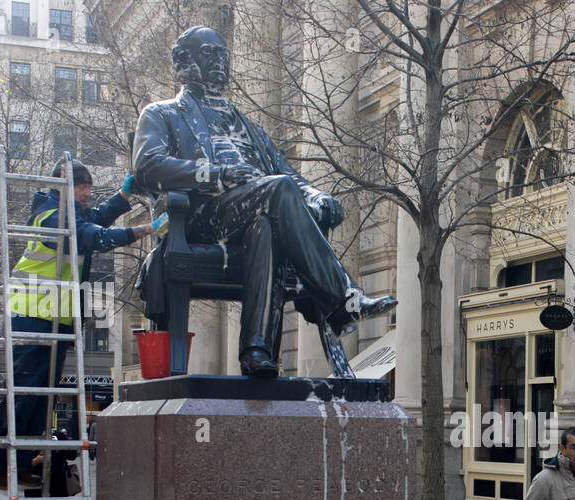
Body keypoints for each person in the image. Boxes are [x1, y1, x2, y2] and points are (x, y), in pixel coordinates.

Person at [131, 25, 397, 378]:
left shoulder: (247, 125)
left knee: (265, 225)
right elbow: (147, 166)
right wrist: (214, 175)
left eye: (223, 56)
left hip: (251, 213)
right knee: (276, 192)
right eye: (209, 54)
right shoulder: (162, 113)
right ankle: (341, 297)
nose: (219, 62)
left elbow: (288, 174)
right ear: (185, 61)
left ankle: (256, 350)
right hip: (197, 219)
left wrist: (316, 196)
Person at [0, 160, 154, 490]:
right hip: (36, 310)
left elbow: (97, 218)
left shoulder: (69, 211)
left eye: (90, 186)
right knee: (26, 389)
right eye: (82, 186)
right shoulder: (51, 214)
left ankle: (20, 462)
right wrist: (140, 230)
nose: (88, 193)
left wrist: (122, 196)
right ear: (63, 186)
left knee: (41, 394)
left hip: (57, 313)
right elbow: (89, 235)